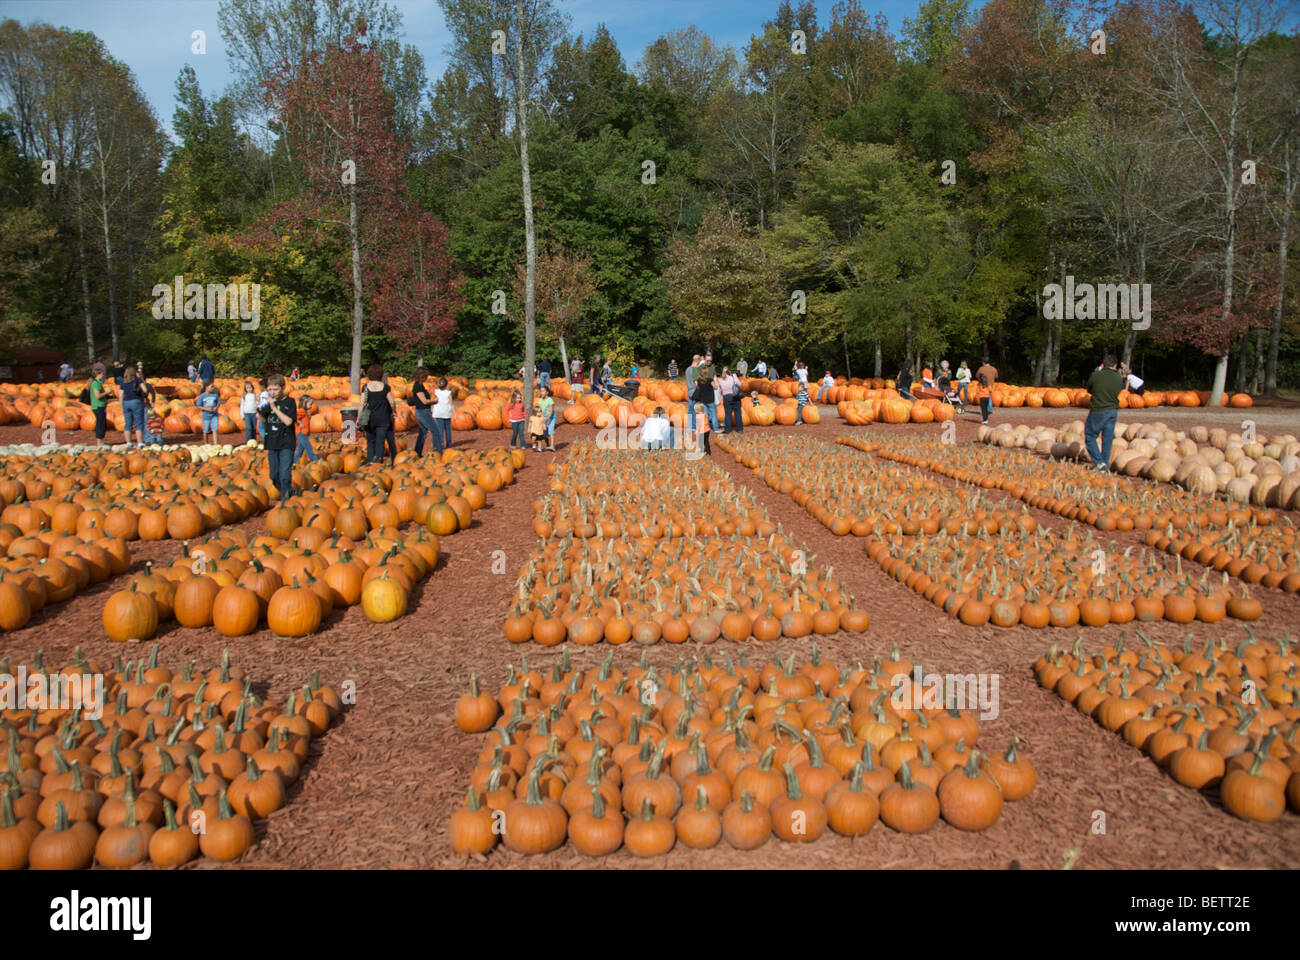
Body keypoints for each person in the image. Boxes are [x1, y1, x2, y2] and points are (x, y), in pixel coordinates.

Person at [260, 375, 297, 504]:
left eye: (275, 389)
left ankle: (286, 503)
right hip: (272, 443)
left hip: (286, 443)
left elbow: (288, 421)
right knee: (274, 475)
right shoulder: (269, 405)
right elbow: (265, 421)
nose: (272, 393)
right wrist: (258, 412)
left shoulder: (290, 402)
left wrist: (274, 408)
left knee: (284, 476)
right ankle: (290, 493)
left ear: (283, 388)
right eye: (270, 390)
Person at [1085, 354, 1125, 472]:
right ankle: (1105, 464)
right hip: (1112, 410)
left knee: (1090, 436)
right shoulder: (1118, 378)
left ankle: (1099, 462)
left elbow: (1089, 389)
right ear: (1115, 365)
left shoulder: (1096, 375)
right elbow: (1119, 390)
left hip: (1098, 409)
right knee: (1107, 438)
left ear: (1104, 364)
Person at [362, 363, 396, 464]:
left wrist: (359, 418)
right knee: (380, 442)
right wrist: (393, 412)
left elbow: (362, 403)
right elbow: (392, 402)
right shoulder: (385, 387)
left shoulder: (365, 387)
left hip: (369, 419)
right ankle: (378, 463)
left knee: (370, 442)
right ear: (380, 375)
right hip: (383, 419)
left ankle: (369, 463)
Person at [410, 368, 439, 457]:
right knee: (436, 431)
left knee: (423, 433)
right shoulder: (417, 387)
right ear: (421, 376)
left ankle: (417, 453)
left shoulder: (420, 385)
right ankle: (437, 453)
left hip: (423, 411)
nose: (427, 377)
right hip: (422, 412)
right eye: (425, 376)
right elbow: (424, 401)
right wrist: (434, 401)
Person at [117, 366, 147, 448]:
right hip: (136, 401)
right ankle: (140, 442)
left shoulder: (123, 382)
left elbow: (121, 395)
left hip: (126, 402)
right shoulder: (138, 380)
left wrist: (121, 405)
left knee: (128, 424)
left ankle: (128, 442)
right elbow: (145, 390)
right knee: (139, 423)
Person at [695, 360, 719, 433]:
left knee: (704, 415)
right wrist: (716, 382)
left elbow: (697, 387)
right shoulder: (710, 380)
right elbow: (716, 387)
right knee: (714, 414)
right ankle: (716, 429)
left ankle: (705, 427)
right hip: (710, 400)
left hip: (703, 400)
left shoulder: (699, 380)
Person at [294, 395, 320, 463]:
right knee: (308, 448)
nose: (311, 406)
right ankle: (314, 460)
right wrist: (300, 423)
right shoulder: (301, 410)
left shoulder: (305, 411)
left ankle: (294, 462)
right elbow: (294, 417)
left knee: (300, 450)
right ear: (304, 403)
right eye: (310, 404)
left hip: (303, 433)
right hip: (301, 433)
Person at [88, 363, 108, 446]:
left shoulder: (97, 383)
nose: (103, 375)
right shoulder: (96, 384)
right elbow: (98, 396)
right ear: (98, 374)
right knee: (100, 424)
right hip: (98, 406)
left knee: (102, 423)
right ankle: (99, 442)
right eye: (102, 374)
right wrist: (107, 392)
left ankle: (101, 441)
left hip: (100, 406)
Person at [432, 376, 454, 451]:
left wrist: (432, 410)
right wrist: (454, 412)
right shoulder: (448, 393)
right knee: (447, 429)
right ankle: (449, 444)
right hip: (446, 413)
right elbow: (451, 403)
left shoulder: (436, 392)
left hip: (438, 413)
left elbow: (434, 401)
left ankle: (441, 443)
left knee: (440, 429)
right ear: (446, 385)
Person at [975, 357, 999, 425]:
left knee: (983, 400)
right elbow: (996, 376)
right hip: (990, 385)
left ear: (983, 362)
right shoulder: (993, 369)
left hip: (982, 385)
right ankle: (989, 408)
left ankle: (987, 411)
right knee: (989, 395)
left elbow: (977, 376)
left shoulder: (981, 369)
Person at [717, 366, 739, 434]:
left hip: (726, 397)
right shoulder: (733, 377)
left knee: (728, 414)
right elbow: (739, 384)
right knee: (737, 413)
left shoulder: (720, 380)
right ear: (729, 371)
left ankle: (728, 430)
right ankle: (739, 429)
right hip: (734, 396)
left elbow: (719, 390)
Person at [538, 385, 556, 452]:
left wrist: (547, 418)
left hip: (551, 418)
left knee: (551, 431)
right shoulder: (540, 400)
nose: (541, 393)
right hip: (544, 418)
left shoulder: (550, 400)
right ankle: (548, 444)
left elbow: (551, 411)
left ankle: (552, 446)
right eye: (541, 391)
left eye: (543, 391)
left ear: (547, 392)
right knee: (545, 433)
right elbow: (540, 410)